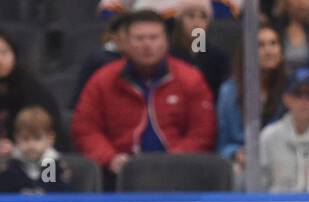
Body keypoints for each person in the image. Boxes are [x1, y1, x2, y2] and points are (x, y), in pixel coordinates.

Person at [72, 10, 216, 181]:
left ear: (166, 41)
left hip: (180, 175)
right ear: (124, 43)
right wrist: (110, 158)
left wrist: (178, 158)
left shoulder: (190, 78)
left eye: (154, 37)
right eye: (139, 39)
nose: (147, 45)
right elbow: (85, 128)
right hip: (118, 176)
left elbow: (203, 131)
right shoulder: (102, 80)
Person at [216, 22, 287, 164]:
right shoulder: (228, 92)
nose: (269, 51)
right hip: (243, 160)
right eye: (260, 45)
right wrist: (236, 154)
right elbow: (221, 144)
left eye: (273, 44)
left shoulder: (291, 89)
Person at [0, 29, 68, 156]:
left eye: (4, 52)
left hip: (26, 157)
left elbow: (45, 133)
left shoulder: (32, 90)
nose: (0, 59)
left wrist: (16, 148)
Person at [0, 106, 80, 193]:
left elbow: (55, 193)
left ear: (50, 139)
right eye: (25, 138)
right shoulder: (11, 165)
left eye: (37, 138)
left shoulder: (52, 164)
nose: (31, 144)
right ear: (16, 138)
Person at [170, 0, 230, 98]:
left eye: (203, 17)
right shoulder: (169, 56)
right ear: (180, 20)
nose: (197, 23)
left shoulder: (218, 58)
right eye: (191, 16)